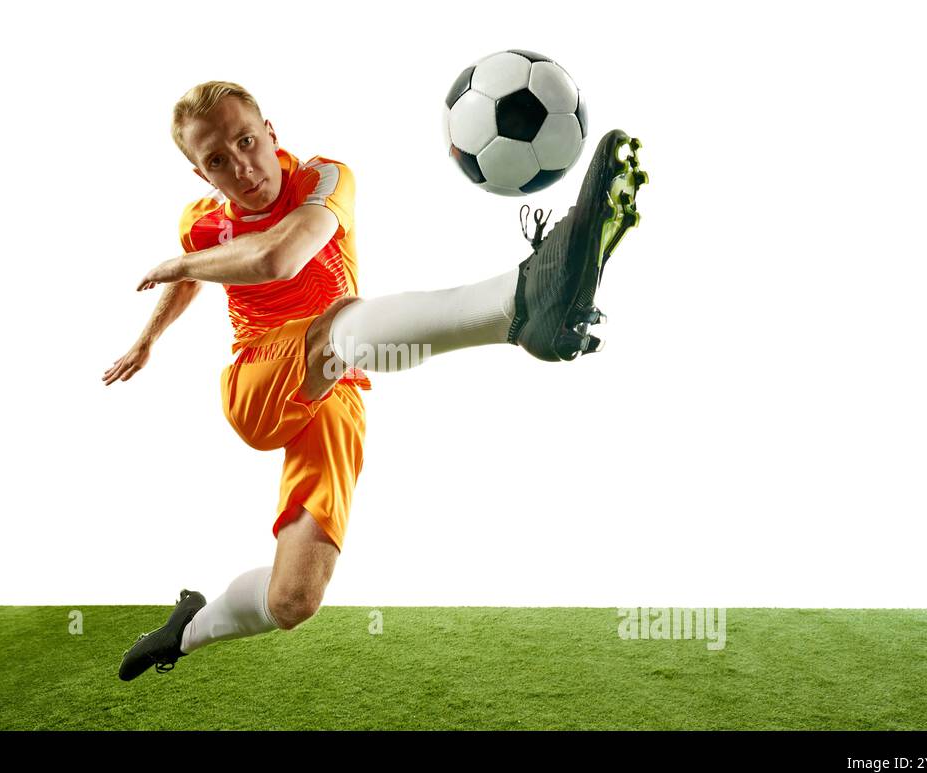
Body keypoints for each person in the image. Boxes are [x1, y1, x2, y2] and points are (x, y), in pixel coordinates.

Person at [105, 81, 646, 680]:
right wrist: (149, 337)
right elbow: (192, 273)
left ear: (270, 134)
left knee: (293, 600)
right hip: (258, 378)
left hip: (337, 388)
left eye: (246, 141)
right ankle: (519, 302)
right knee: (337, 328)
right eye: (217, 161)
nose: (241, 165)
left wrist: (180, 266)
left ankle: (185, 633)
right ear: (201, 175)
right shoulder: (202, 224)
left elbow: (277, 259)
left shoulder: (324, 180)